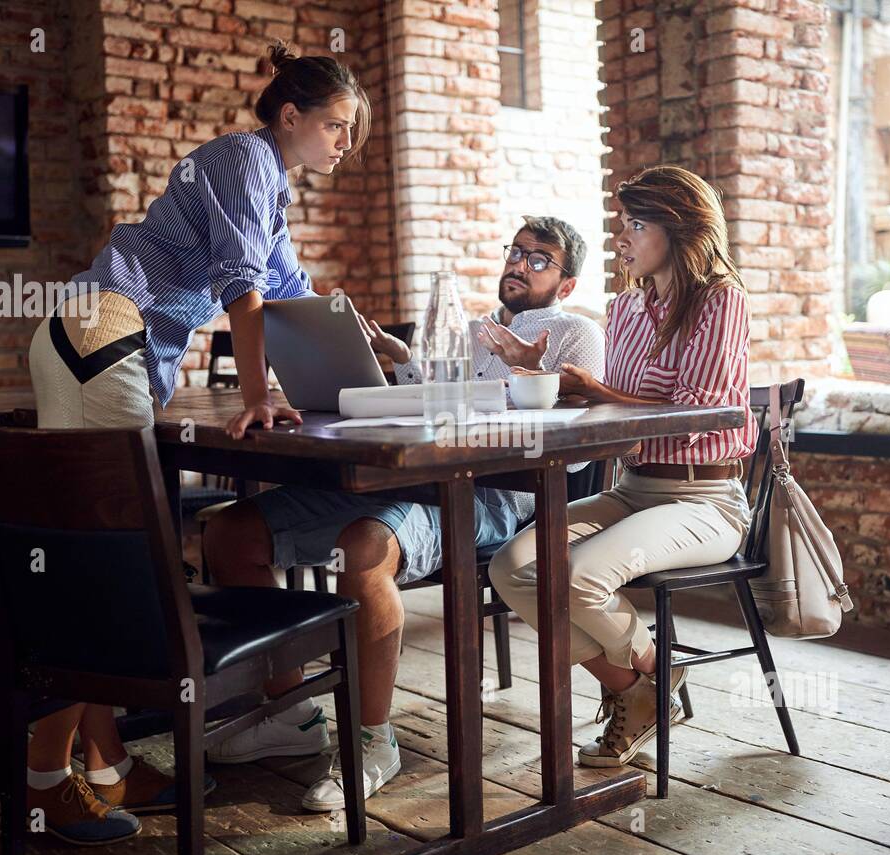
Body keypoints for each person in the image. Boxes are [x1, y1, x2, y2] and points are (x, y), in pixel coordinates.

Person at [21, 39, 370, 844]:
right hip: (102, 333)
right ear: (293, 117)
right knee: (105, 564)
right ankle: (45, 779)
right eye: (337, 127)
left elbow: (288, 293)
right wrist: (256, 397)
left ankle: (107, 765)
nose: (345, 146)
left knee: (110, 556)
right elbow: (244, 292)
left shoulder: (266, 187)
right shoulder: (247, 158)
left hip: (99, 337)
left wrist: (373, 340)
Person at [203, 216, 605, 812]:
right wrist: (398, 363)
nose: (518, 265)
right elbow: (437, 407)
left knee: (364, 548)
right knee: (231, 531)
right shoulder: (470, 329)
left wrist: (526, 367)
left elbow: (565, 435)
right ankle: (291, 715)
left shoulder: (577, 332)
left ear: (567, 284)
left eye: (538, 259)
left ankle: (372, 740)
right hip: (410, 476)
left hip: (493, 493)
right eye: (515, 252)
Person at [488, 165, 759, 768]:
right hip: (634, 489)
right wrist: (552, 377)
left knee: (577, 576)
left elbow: (704, 411)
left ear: (679, 228)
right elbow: (615, 401)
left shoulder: (721, 300)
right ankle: (640, 687)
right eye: (622, 224)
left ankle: (649, 685)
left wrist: (600, 393)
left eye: (636, 224)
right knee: (511, 567)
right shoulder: (628, 308)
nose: (622, 238)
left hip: (703, 501)